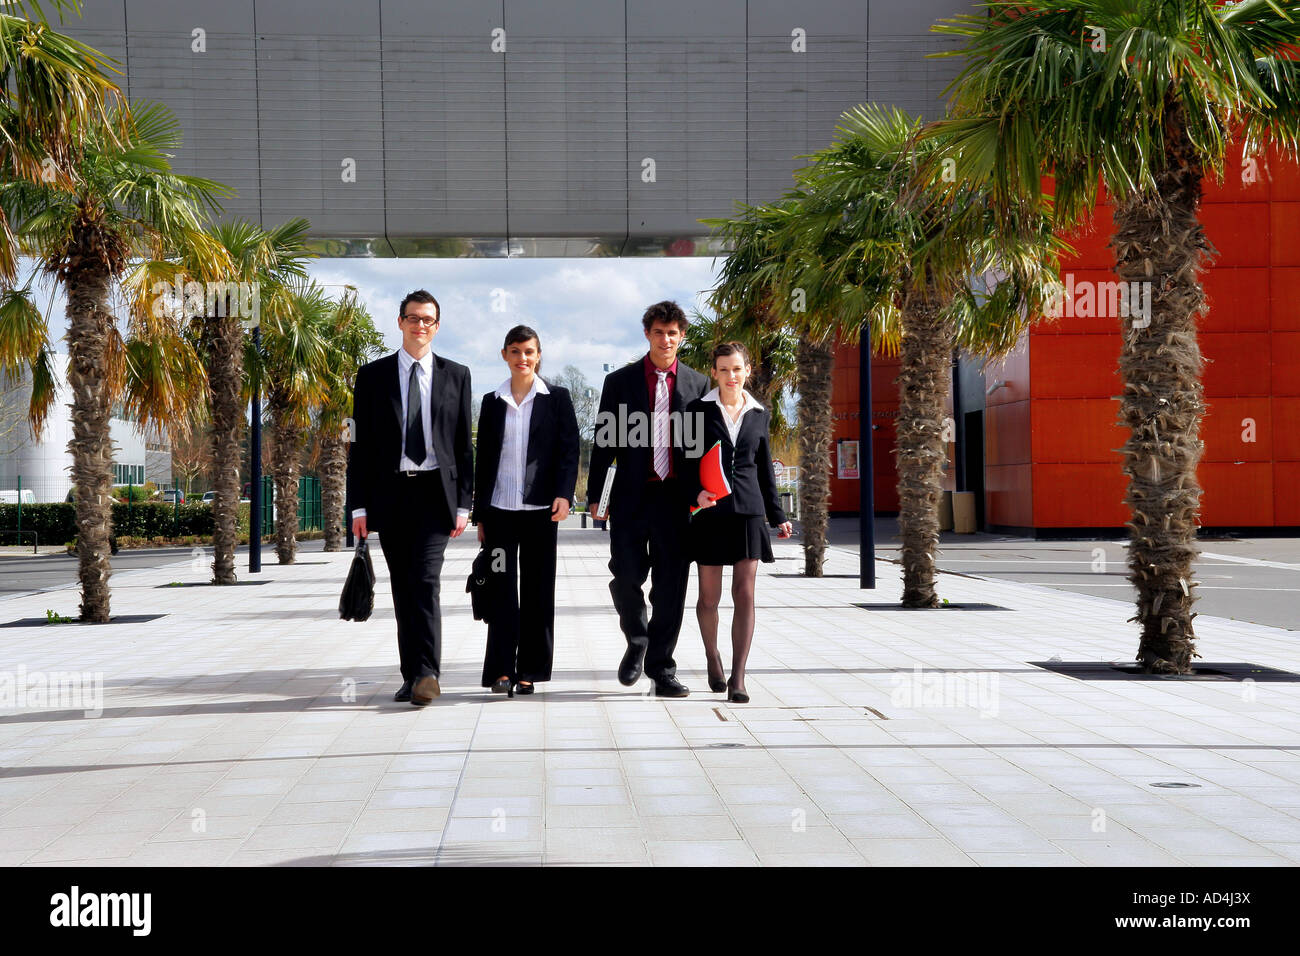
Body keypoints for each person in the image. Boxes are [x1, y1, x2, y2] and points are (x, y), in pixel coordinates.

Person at [348, 290, 473, 706]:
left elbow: (462, 445)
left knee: (425, 582)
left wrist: (464, 503)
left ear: (437, 326)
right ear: (400, 322)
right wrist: (359, 506)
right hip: (391, 494)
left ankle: (427, 674)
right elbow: (359, 446)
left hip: (436, 494)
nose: (421, 325)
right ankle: (411, 674)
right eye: (414, 318)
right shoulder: (372, 377)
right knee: (403, 588)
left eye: (429, 320)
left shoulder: (457, 375)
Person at [587, 301, 709, 697]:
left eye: (673, 332)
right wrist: (595, 497)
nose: (666, 339)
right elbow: (604, 442)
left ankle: (662, 668)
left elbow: (708, 446)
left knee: (670, 588)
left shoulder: (698, 384)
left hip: (677, 501)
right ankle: (637, 638)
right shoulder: (620, 382)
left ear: (682, 336)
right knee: (625, 576)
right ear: (648, 335)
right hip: (630, 497)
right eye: (659, 332)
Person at [681, 342, 792, 704]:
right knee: (708, 598)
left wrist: (778, 515)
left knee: (744, 593)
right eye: (725, 369)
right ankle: (712, 657)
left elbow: (764, 467)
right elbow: (684, 463)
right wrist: (694, 493)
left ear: (748, 370)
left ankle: (738, 676)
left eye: (738, 369)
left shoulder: (760, 413)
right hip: (710, 512)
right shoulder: (696, 411)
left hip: (748, 512)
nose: (732, 376)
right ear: (714, 372)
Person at [472, 325, 579, 696]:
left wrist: (565, 494)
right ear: (505, 354)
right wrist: (480, 514)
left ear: (538, 355)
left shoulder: (558, 399)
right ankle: (501, 670)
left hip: (539, 513)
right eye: (515, 351)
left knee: (537, 591)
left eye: (529, 352)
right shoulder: (491, 401)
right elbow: (483, 460)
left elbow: (569, 452)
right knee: (502, 588)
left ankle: (529, 671)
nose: (523, 358)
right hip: (499, 513)